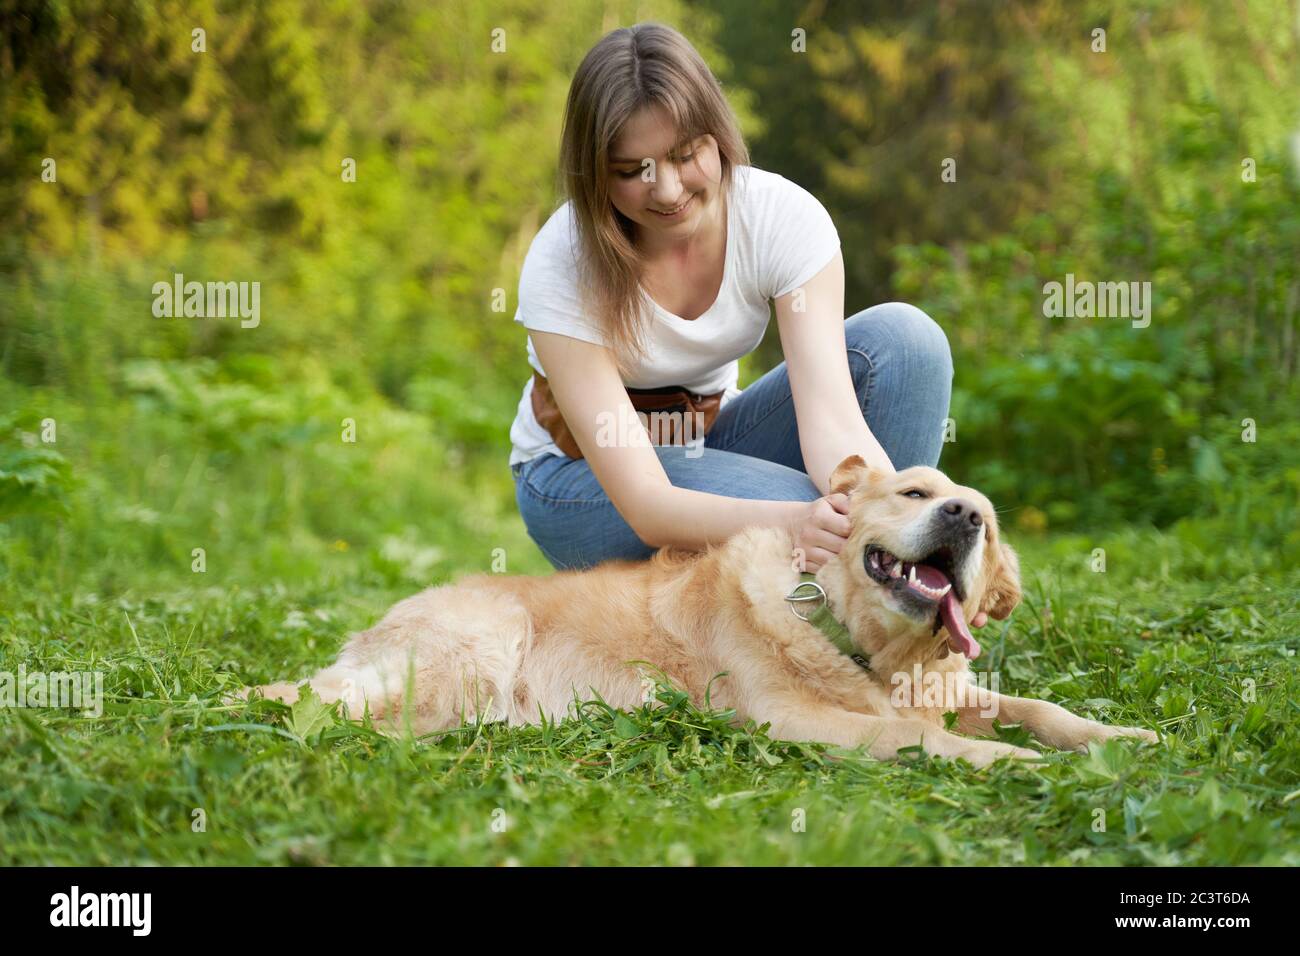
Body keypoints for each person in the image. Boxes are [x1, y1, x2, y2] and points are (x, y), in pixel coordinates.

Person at [508, 22, 985, 627]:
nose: (669, 190)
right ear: (594, 172)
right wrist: (801, 522)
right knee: (800, 507)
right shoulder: (563, 261)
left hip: (706, 440)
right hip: (583, 482)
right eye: (633, 170)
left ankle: (894, 598)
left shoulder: (781, 219)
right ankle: (846, 609)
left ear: (719, 135)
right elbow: (650, 506)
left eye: (686, 155)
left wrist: (896, 522)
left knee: (906, 341)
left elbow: (833, 425)